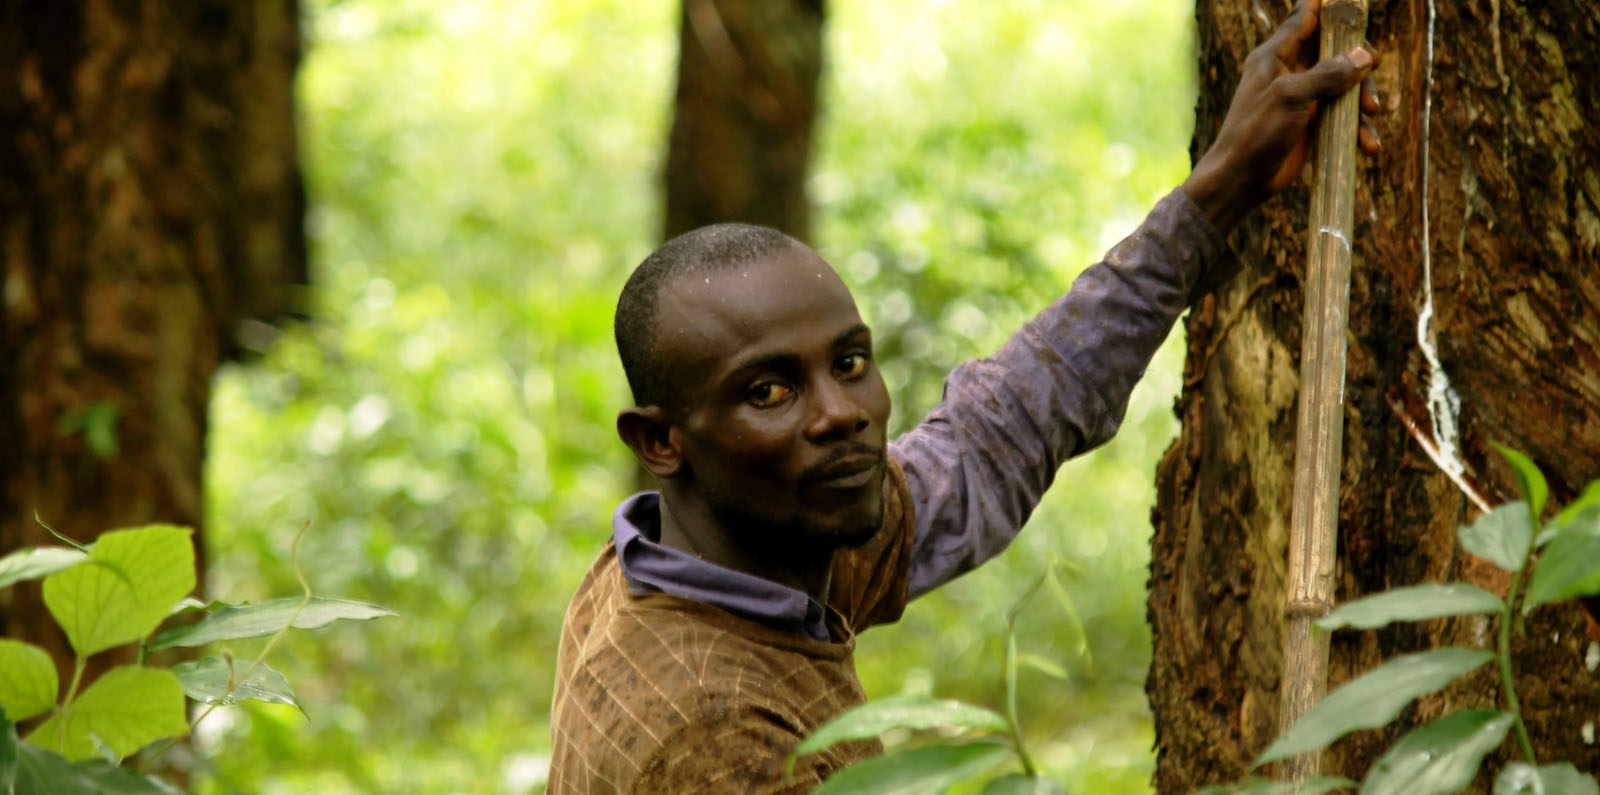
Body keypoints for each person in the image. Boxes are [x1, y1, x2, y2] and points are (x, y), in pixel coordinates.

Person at [550, 2, 1381, 791]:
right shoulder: (715, 730)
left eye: (848, 362)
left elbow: (993, 438)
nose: (840, 413)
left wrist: (1219, 191)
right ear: (660, 441)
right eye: (768, 390)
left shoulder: (726, 547)